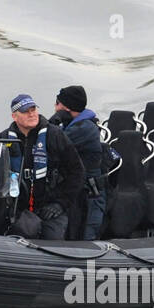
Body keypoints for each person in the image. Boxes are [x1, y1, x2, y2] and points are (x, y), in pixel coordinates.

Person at [0, 93, 83, 240]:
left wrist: (60, 204)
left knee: (53, 241)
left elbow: (77, 172)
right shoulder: (2, 138)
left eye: (33, 109)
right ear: (14, 116)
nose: (31, 114)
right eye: (26, 111)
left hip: (50, 207)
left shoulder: (55, 135)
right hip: (17, 208)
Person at [50, 85, 107, 240]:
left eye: (57, 103)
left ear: (66, 108)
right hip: (77, 194)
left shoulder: (84, 128)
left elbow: (53, 143)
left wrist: (53, 122)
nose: (54, 107)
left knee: (85, 240)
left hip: (89, 199)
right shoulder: (72, 125)